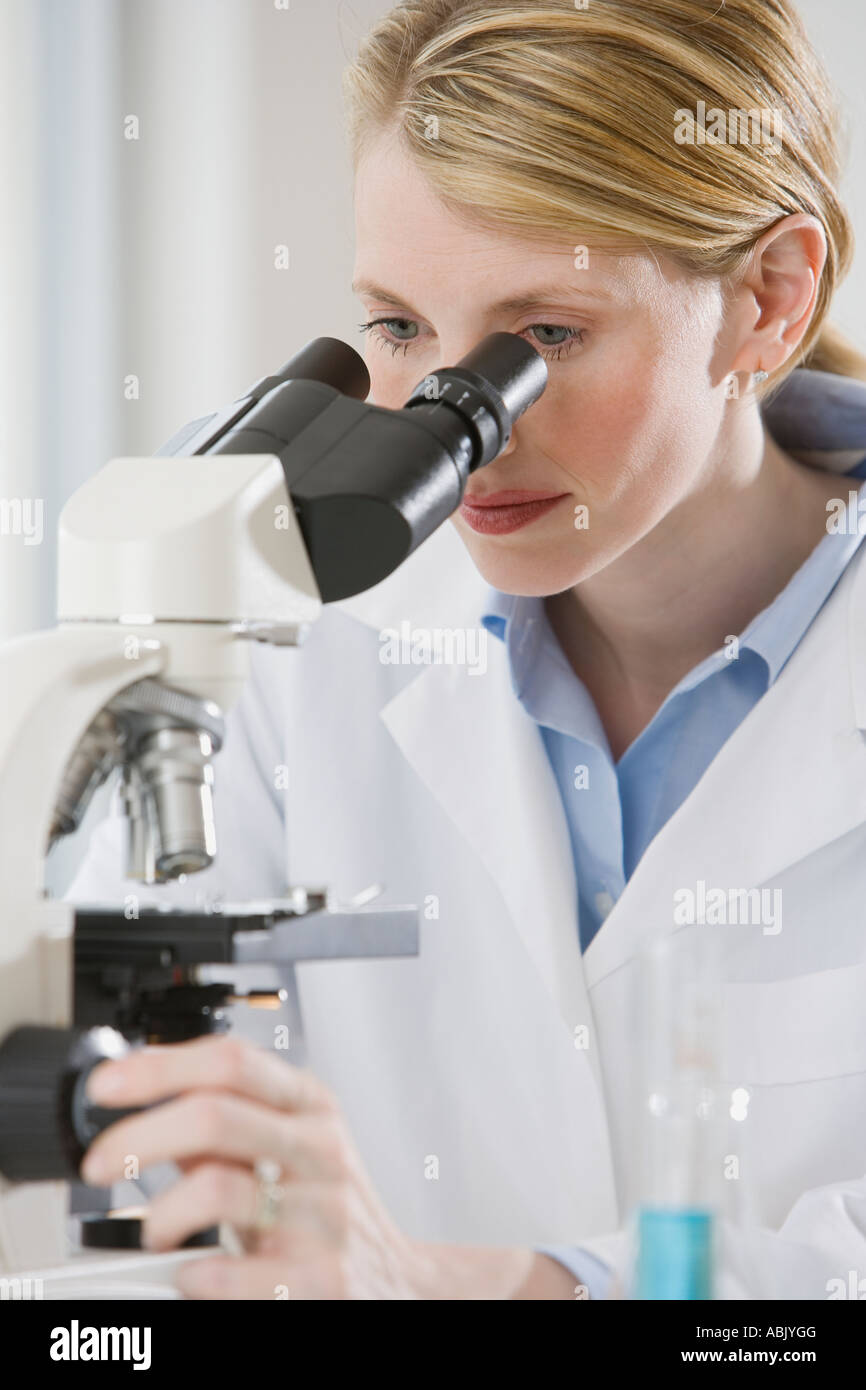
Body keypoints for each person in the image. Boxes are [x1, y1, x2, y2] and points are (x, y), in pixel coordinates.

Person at [68, 0, 866, 1299]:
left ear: (768, 301)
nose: (460, 428)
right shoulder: (293, 640)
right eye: (398, 329)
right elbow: (150, 1158)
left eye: (544, 336)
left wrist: (449, 1284)